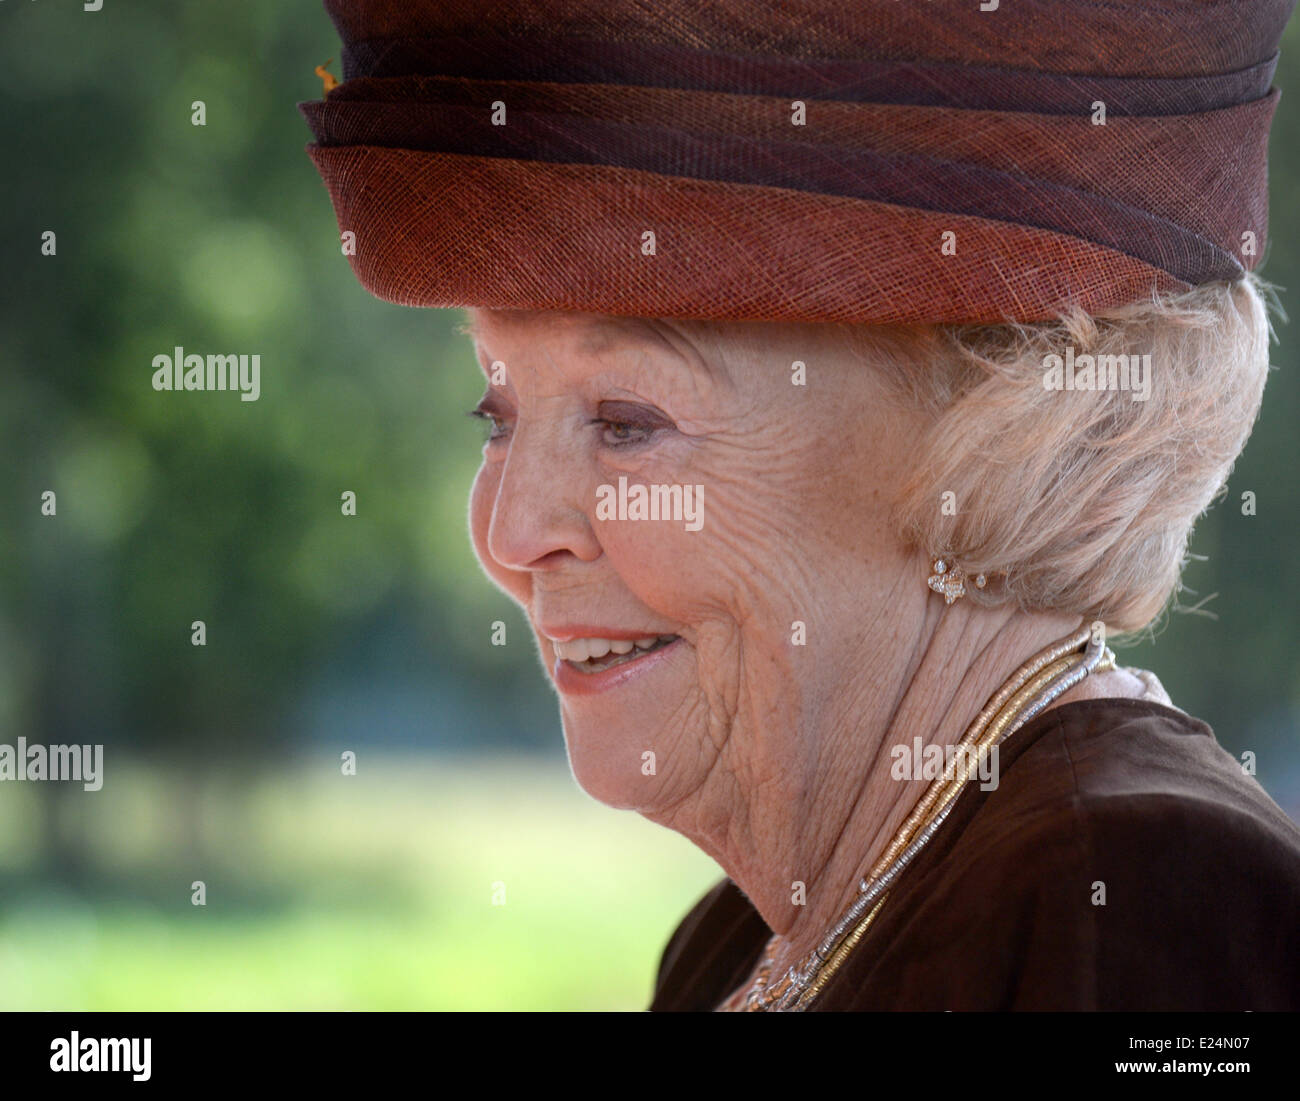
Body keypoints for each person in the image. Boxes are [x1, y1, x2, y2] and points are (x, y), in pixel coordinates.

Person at [300, 0, 1300, 1010]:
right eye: (498, 413)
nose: (511, 537)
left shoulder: (1140, 896)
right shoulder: (744, 937)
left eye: (627, 419)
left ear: (1000, 427)